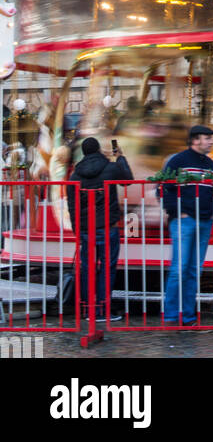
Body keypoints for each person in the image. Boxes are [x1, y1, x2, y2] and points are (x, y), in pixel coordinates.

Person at [66, 136, 133, 322]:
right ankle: (103, 309)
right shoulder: (110, 167)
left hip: (86, 228)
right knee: (107, 268)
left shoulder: (76, 174)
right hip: (107, 226)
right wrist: (120, 158)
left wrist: (77, 230)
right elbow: (127, 180)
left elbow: (72, 205)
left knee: (87, 268)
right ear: (98, 150)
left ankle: (90, 311)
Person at [160, 124, 213, 329]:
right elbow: (164, 188)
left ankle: (187, 316)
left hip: (204, 221)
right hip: (184, 220)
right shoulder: (178, 161)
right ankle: (170, 316)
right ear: (195, 140)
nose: (211, 141)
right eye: (207, 137)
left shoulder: (211, 165)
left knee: (194, 270)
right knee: (179, 268)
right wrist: (177, 212)